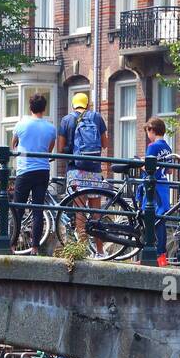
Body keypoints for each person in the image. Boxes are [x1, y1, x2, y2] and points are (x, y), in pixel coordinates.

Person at [57, 92, 111, 249]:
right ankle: (100, 250)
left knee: (79, 211)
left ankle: (82, 248)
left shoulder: (66, 120)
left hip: (76, 170)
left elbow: (60, 149)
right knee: (96, 212)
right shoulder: (97, 117)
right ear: (87, 105)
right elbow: (105, 143)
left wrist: (71, 148)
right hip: (94, 168)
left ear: (74, 105)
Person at [10, 93, 58, 253]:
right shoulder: (51, 128)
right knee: (38, 209)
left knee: (18, 208)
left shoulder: (21, 124)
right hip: (42, 171)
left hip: (24, 171)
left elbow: (13, 146)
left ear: (30, 107)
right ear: (44, 109)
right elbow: (49, 150)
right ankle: (35, 247)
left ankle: (12, 244)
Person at [138, 116, 173, 266]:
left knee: (150, 218)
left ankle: (151, 254)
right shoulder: (167, 147)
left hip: (153, 187)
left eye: (147, 132)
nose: (148, 135)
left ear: (151, 130)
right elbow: (170, 170)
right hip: (164, 186)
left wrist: (139, 164)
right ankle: (162, 256)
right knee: (160, 221)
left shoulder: (152, 147)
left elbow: (148, 168)